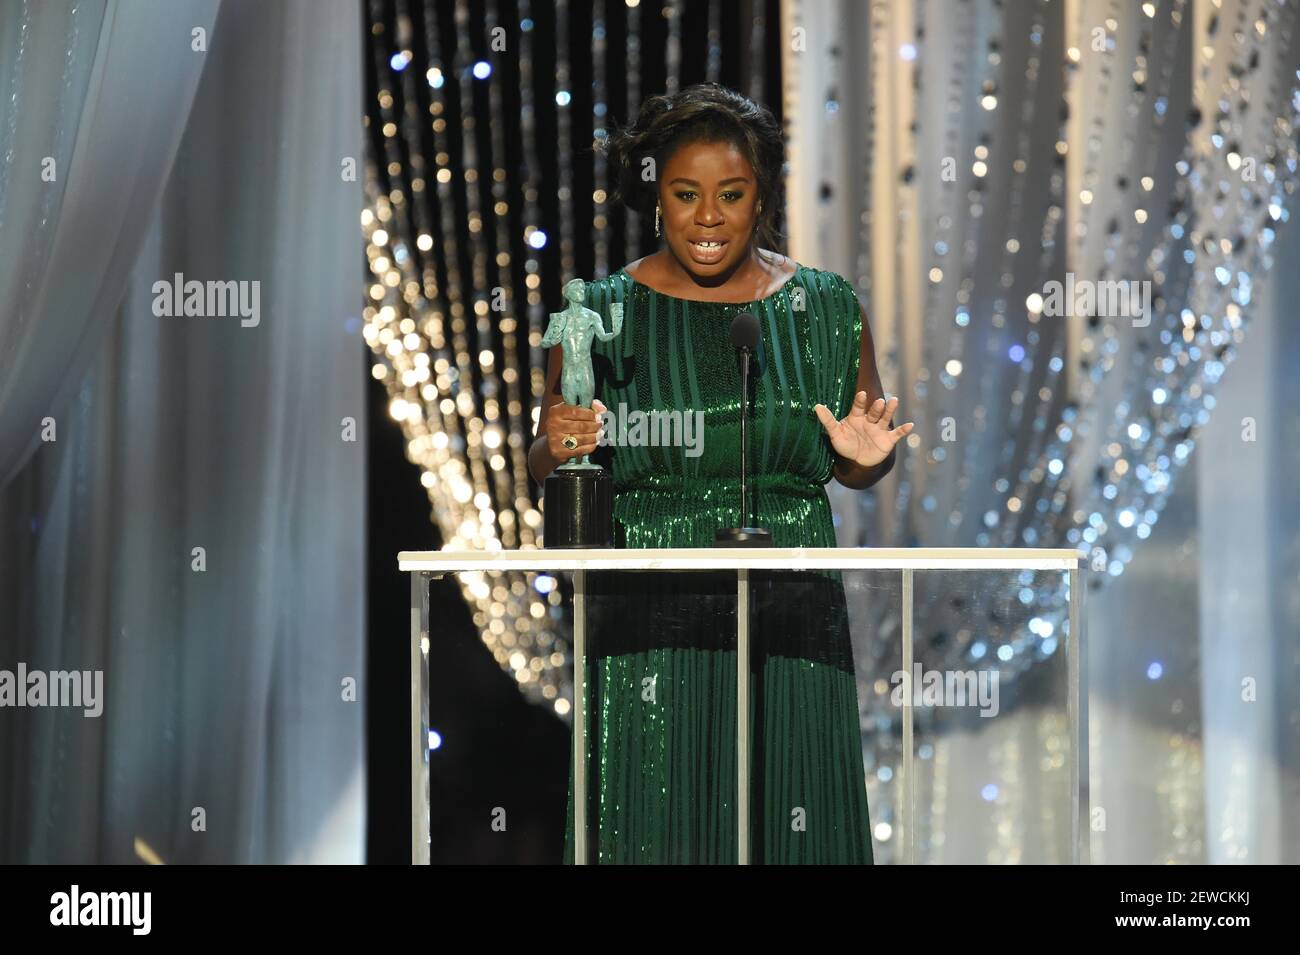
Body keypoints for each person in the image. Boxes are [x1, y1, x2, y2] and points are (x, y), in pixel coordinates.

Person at [528, 82, 913, 864]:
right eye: (685, 194)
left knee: (789, 818)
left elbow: (857, 456)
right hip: (649, 622)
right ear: (656, 198)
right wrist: (561, 445)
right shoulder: (600, 312)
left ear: (760, 195)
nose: (708, 217)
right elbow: (545, 458)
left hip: (790, 616)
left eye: (731, 195)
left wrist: (870, 457)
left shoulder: (827, 309)